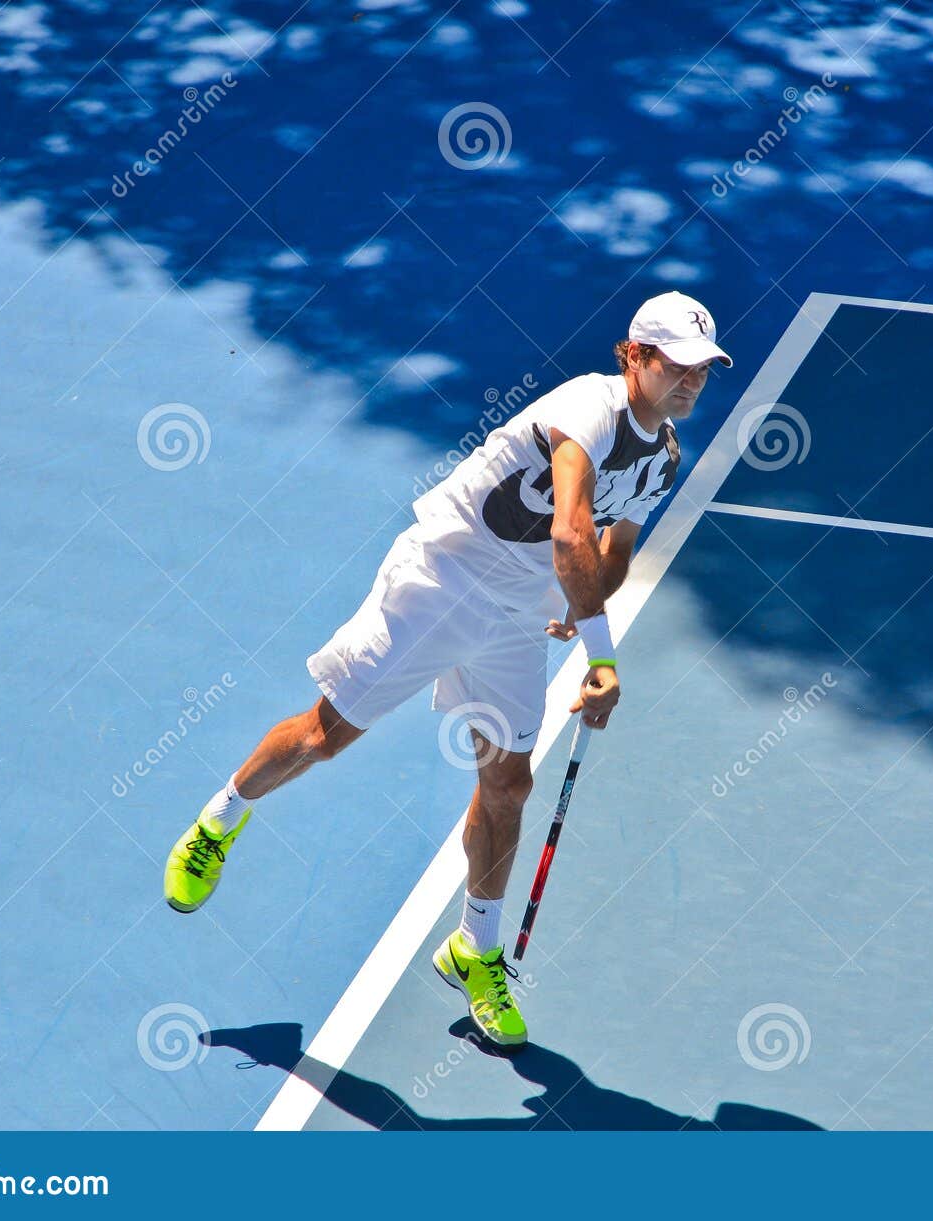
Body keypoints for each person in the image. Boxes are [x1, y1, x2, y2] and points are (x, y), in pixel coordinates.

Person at [162, 291, 730, 1046]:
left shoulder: (664, 457)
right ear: (634, 355)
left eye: (703, 368)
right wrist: (600, 653)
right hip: (442, 581)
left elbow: (612, 548)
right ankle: (220, 819)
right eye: (677, 364)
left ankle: (474, 948)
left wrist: (584, 601)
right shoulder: (589, 408)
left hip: (517, 617)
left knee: (508, 784)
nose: (692, 380)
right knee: (326, 736)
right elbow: (570, 533)